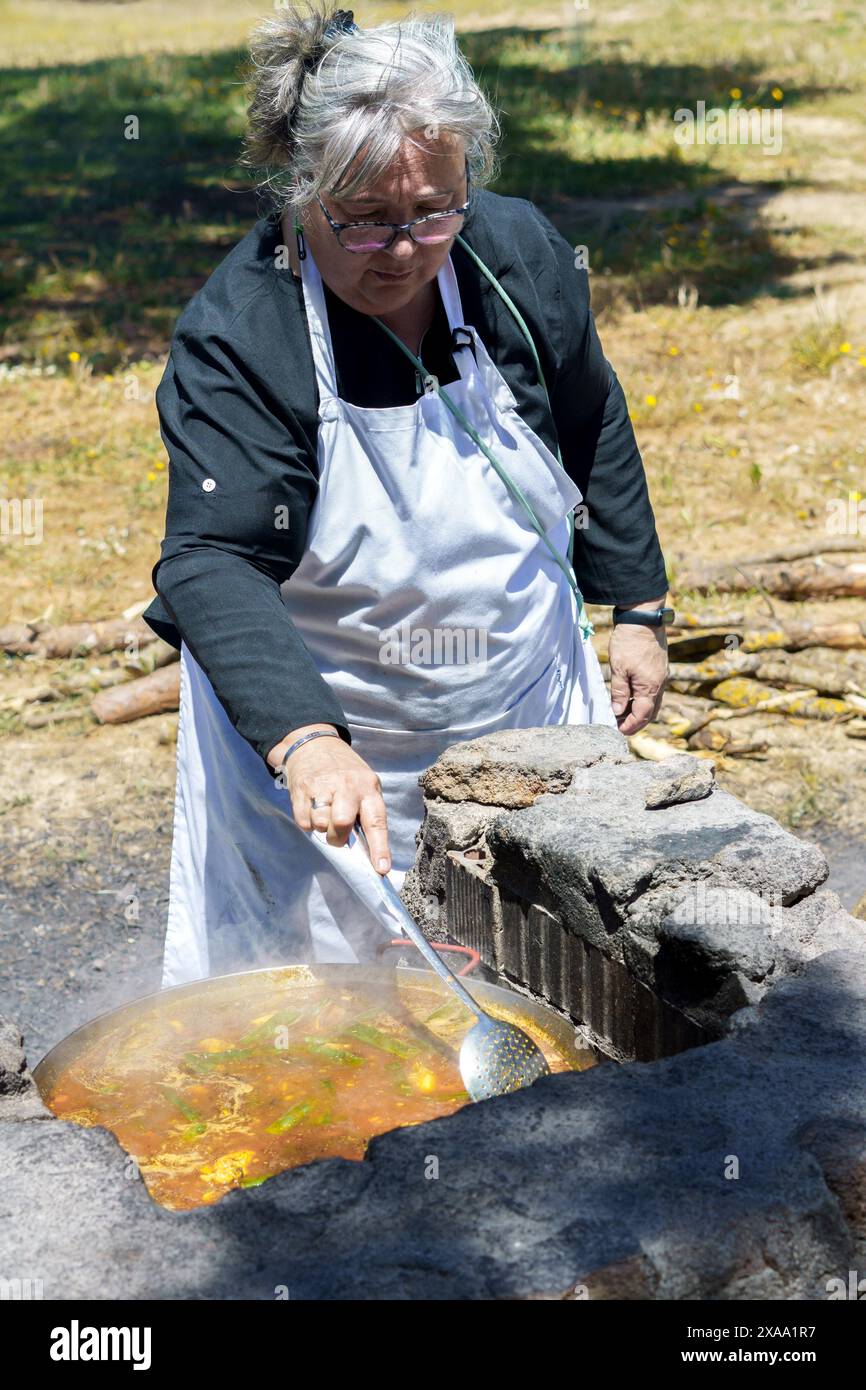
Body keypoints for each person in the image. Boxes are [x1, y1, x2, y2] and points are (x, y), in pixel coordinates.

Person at [143, 4, 670, 989]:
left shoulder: (510, 256)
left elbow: (590, 408)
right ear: (302, 191)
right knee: (311, 1010)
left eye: (433, 208)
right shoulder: (240, 331)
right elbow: (211, 559)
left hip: (515, 688)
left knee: (555, 980)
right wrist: (303, 739)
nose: (403, 248)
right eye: (365, 220)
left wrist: (636, 603)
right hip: (317, 716)